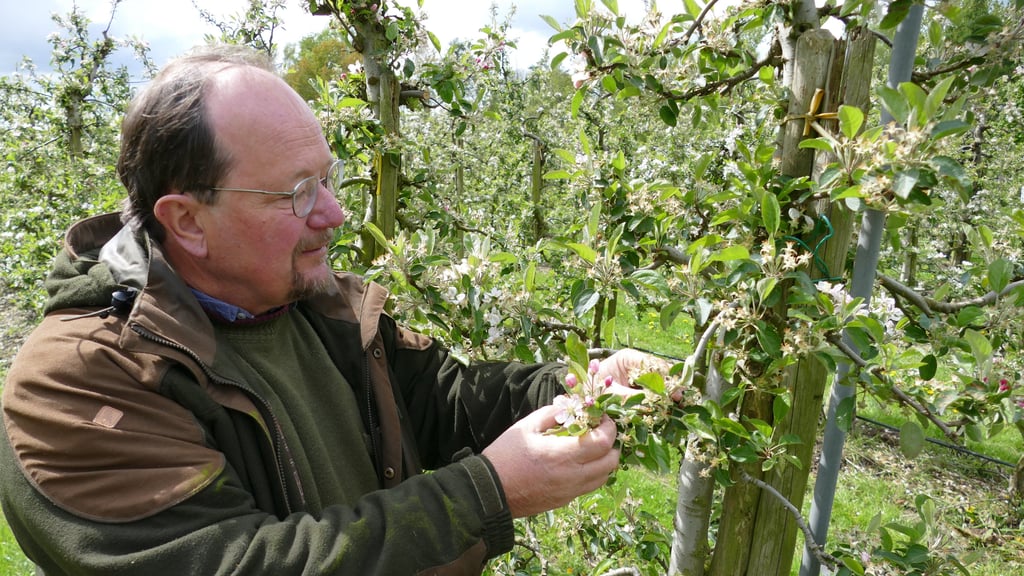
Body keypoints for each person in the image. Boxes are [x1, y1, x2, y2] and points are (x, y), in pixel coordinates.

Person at [0, 44, 654, 575]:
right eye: (297, 192)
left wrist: (584, 383)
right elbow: (242, 562)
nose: (335, 213)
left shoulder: (311, 305)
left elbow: (446, 398)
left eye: (328, 178)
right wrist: (490, 493)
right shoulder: (80, 385)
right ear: (189, 221)